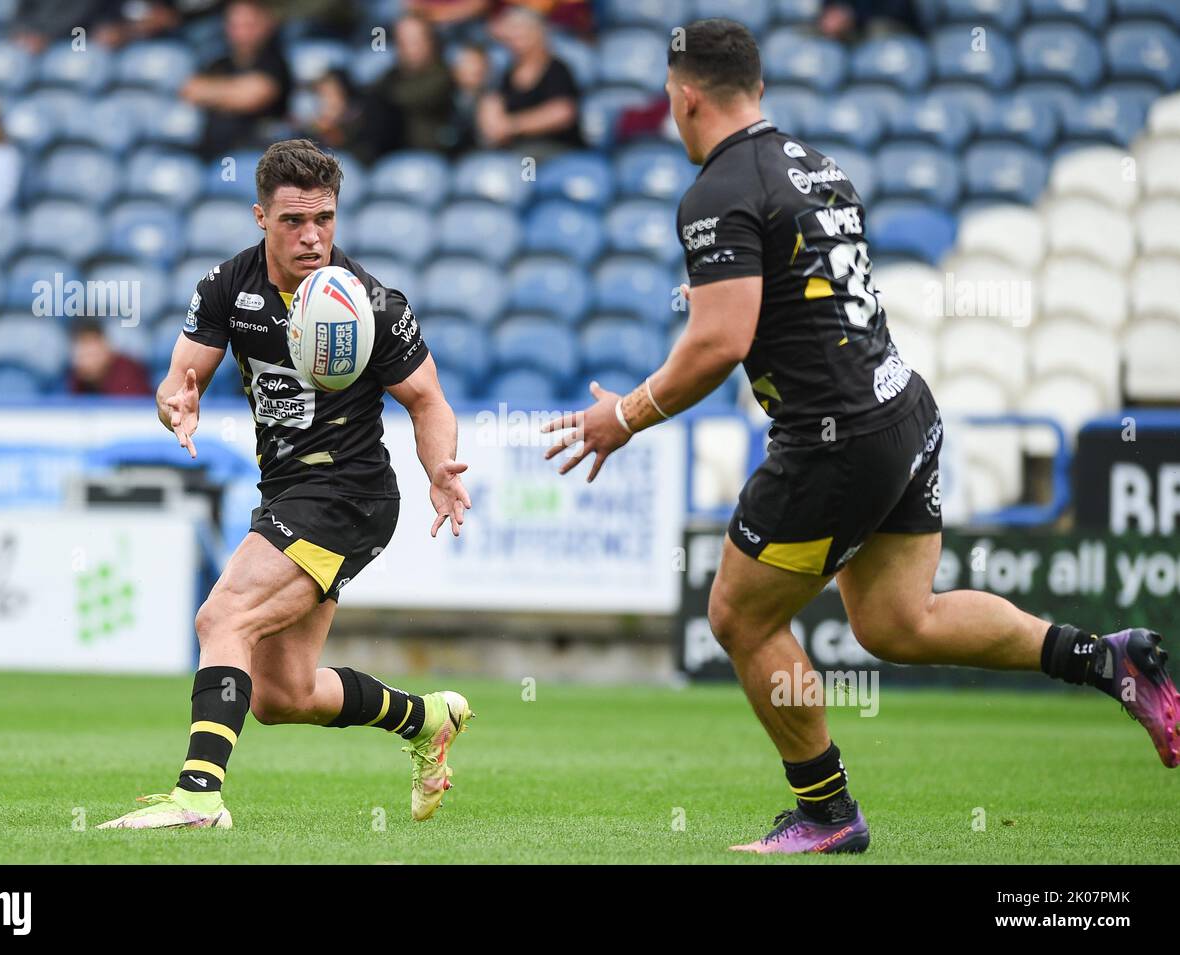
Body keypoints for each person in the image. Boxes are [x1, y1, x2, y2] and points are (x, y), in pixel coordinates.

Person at [542, 18, 1180, 855]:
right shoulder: (820, 167)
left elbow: (718, 342)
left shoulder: (718, 190)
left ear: (683, 97)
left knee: (737, 617)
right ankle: (1105, 658)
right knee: (896, 620)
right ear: (758, 89)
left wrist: (622, 416)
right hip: (901, 409)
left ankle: (827, 813)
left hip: (831, 439)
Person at [98, 139, 474, 831]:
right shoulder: (226, 287)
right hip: (287, 493)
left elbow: (428, 400)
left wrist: (439, 467)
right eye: (293, 222)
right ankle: (426, 717)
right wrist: (174, 401)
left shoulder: (374, 304)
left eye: (325, 219)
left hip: (349, 494)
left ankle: (198, 796)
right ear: (259, 218)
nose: (311, 237)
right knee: (281, 693)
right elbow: (182, 376)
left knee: (222, 617)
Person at [181, 0, 291, 160]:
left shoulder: (275, 62)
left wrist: (212, 92)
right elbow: (190, 90)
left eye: (248, 25)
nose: (241, 33)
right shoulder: (218, 62)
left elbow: (253, 96)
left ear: (266, 24)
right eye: (234, 25)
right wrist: (233, 91)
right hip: (210, 153)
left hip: (256, 155)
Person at [479, 7, 582, 155]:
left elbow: (562, 112)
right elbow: (493, 106)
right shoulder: (506, 74)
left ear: (538, 35)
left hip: (553, 149)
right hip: (515, 149)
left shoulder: (557, 69)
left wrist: (512, 125)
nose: (515, 42)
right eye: (512, 36)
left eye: (521, 34)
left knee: (527, 165)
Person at [372, 14, 455, 154]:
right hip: (392, 155)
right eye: (402, 42)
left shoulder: (445, 75)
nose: (408, 49)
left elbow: (408, 96)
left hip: (435, 154)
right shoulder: (389, 76)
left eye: (415, 42)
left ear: (430, 41)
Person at [67, 319, 153, 396]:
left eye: (93, 354)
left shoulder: (126, 372)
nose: (89, 362)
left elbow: (132, 410)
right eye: (83, 356)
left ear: (106, 350)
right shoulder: (77, 380)